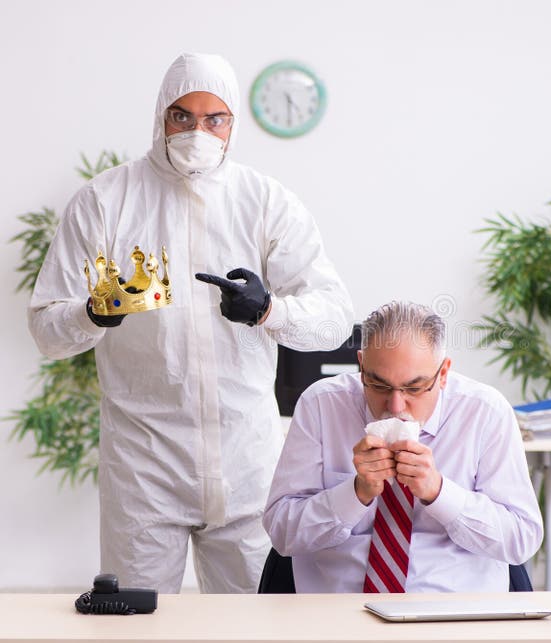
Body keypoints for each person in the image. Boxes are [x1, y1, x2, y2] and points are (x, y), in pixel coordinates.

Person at [27, 52, 354, 593]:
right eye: (183, 115)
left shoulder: (266, 202)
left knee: (257, 624)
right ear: (160, 115)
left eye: (214, 118)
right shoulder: (104, 202)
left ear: (233, 125)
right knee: (135, 622)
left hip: (247, 464)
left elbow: (334, 319)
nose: (197, 131)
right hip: (144, 468)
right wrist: (94, 311)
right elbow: (46, 330)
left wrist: (270, 310)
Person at [263, 301, 543, 592]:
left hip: (454, 613)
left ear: (443, 373)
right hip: (338, 612)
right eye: (379, 385)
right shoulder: (321, 405)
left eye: (414, 388)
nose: (395, 405)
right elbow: (283, 533)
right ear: (361, 367)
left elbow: (522, 539)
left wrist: (439, 492)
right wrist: (355, 494)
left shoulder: (485, 412)